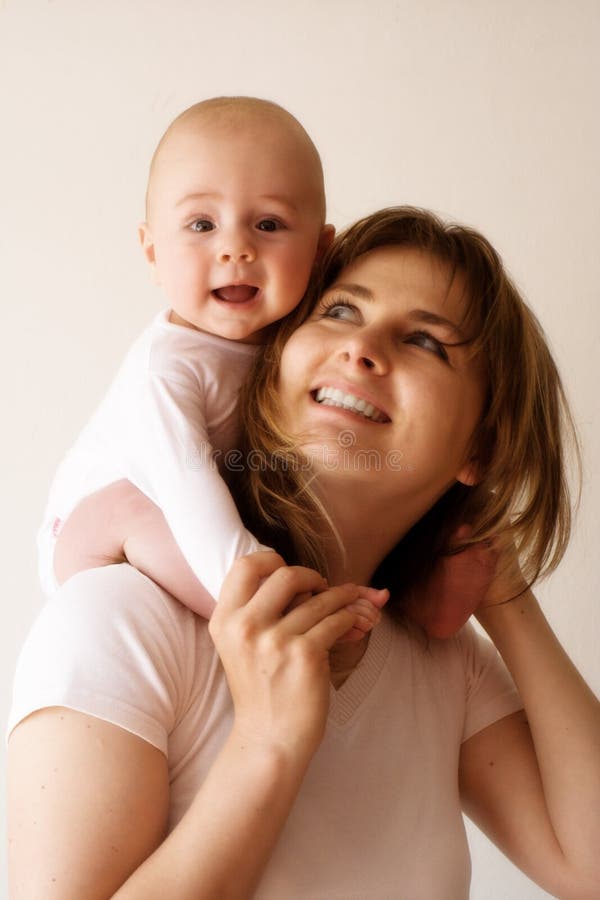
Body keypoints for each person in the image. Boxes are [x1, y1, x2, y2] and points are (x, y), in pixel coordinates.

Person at [8, 208, 600, 899]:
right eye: (341, 310)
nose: (362, 348)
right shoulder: (122, 620)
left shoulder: (449, 666)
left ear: (482, 448)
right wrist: (268, 744)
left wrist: (500, 586)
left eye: (425, 342)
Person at [38, 95, 342, 616]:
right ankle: (261, 610)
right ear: (153, 253)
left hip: (195, 511)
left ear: (319, 252)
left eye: (269, 224)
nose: (235, 248)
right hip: (86, 530)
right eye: (202, 225)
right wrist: (252, 576)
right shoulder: (167, 368)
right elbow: (188, 489)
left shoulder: (302, 343)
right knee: (133, 508)